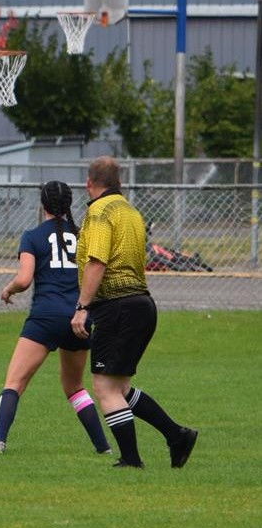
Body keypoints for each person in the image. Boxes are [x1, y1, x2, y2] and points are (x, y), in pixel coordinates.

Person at [71, 156, 199, 469]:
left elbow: (97, 261)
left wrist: (82, 307)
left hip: (116, 307)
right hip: (142, 304)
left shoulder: (99, 211)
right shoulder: (130, 211)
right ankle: (176, 435)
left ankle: (131, 460)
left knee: (103, 387)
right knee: (121, 388)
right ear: (118, 183)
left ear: (90, 183)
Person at [0, 181, 110, 456]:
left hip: (45, 318)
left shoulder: (33, 236)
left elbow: (24, 280)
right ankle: (103, 447)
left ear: (43, 205)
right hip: (78, 317)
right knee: (74, 386)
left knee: (14, 382)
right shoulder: (83, 235)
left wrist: (8, 288)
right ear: (69, 205)